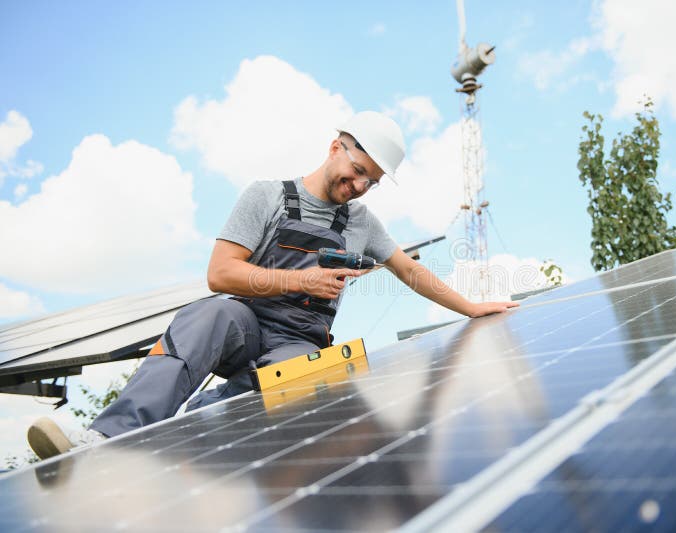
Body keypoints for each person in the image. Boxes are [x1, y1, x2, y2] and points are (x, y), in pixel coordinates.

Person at [27, 111, 519, 459]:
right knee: (212, 313)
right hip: (244, 325)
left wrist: (471, 308)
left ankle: (176, 434)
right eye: (357, 171)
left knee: (310, 377)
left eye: (372, 181)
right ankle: (103, 440)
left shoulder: (363, 223)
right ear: (336, 148)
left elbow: (410, 272)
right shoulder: (265, 197)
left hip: (299, 346)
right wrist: (297, 277)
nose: (361, 185)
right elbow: (220, 272)